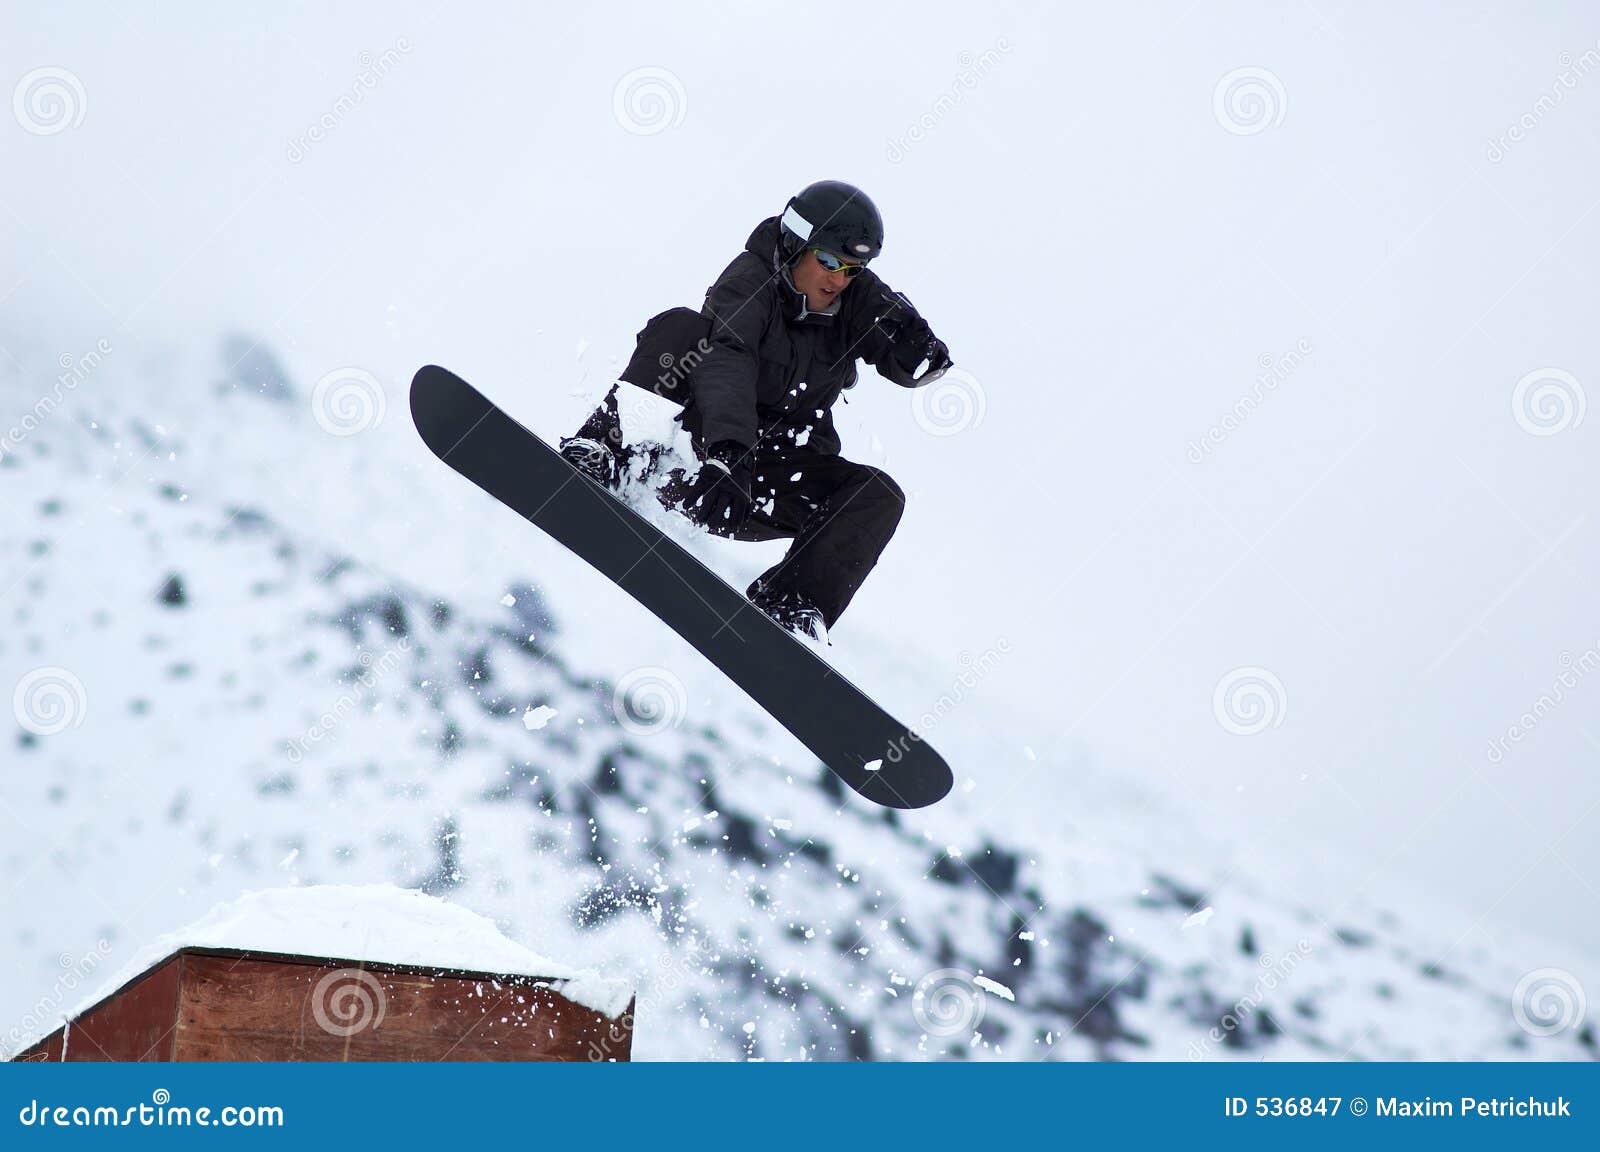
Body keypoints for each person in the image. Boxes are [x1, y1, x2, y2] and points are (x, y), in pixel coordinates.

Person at [559, 180, 952, 645]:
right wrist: (729, 454)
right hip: (700, 456)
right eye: (827, 261)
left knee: (877, 493)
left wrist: (916, 346)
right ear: (794, 245)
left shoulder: (853, 300)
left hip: (756, 491)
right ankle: (606, 453)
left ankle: (790, 604)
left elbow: (908, 364)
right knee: (682, 330)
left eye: (851, 269)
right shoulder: (751, 279)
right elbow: (730, 356)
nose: (837, 279)